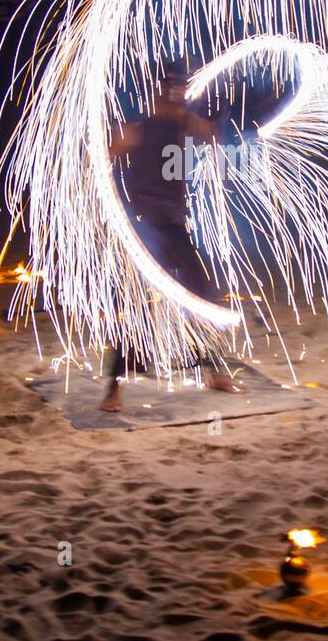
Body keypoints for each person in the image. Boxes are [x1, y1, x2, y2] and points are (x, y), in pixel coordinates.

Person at [101, 68, 237, 411]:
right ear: (158, 95)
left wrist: (224, 111)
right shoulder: (140, 130)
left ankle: (215, 371)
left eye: (180, 92)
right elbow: (105, 149)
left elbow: (212, 135)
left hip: (174, 225)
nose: (177, 99)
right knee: (134, 307)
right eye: (170, 92)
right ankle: (114, 388)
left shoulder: (183, 124)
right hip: (145, 230)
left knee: (202, 294)